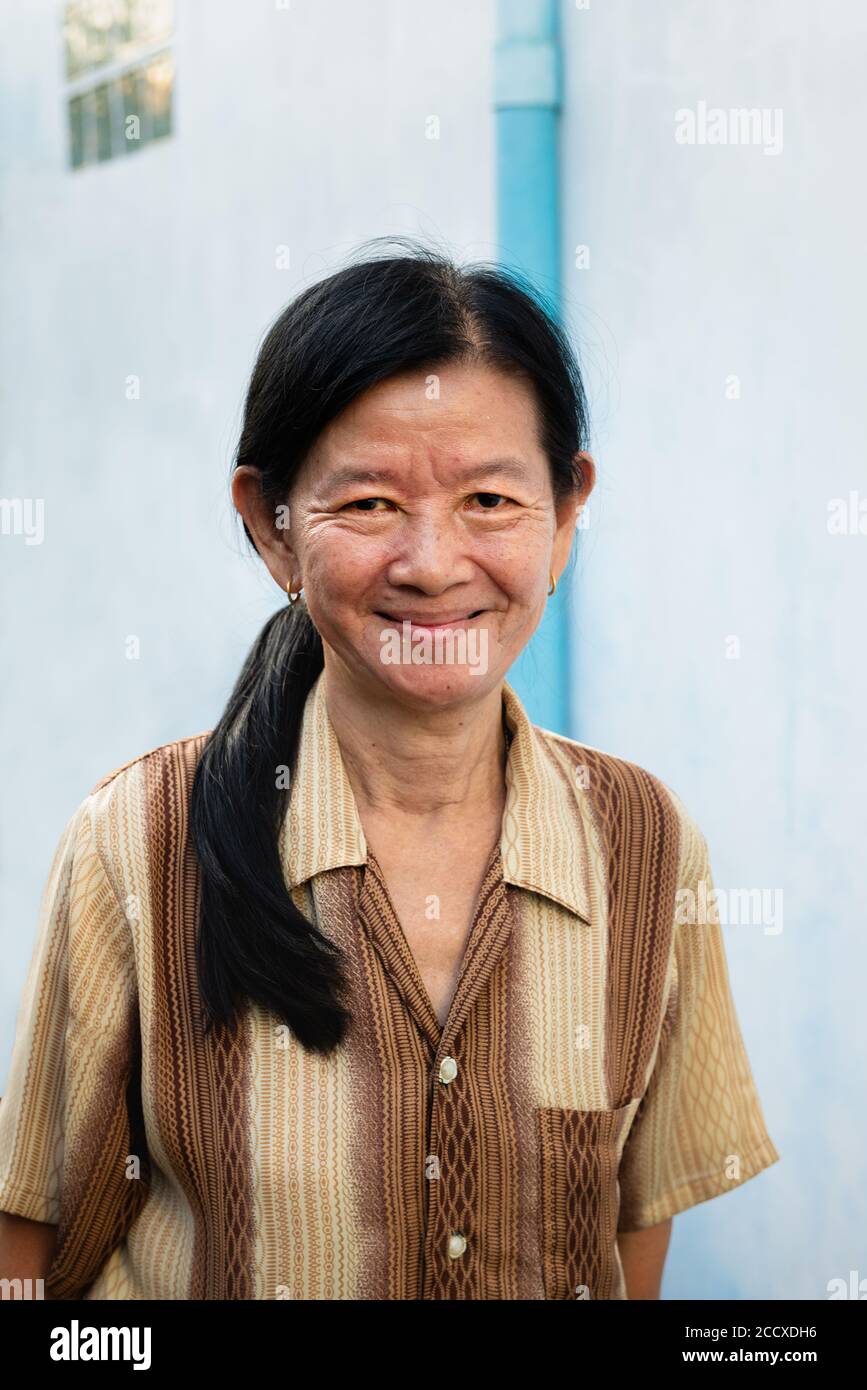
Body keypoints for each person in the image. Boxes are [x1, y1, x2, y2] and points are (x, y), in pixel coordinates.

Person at [0, 239, 779, 1300]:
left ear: (565, 515)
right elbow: (32, 1249)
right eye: (367, 504)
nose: (432, 561)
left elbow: (631, 1238)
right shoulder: (138, 838)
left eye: (491, 502)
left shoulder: (646, 841)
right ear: (272, 529)